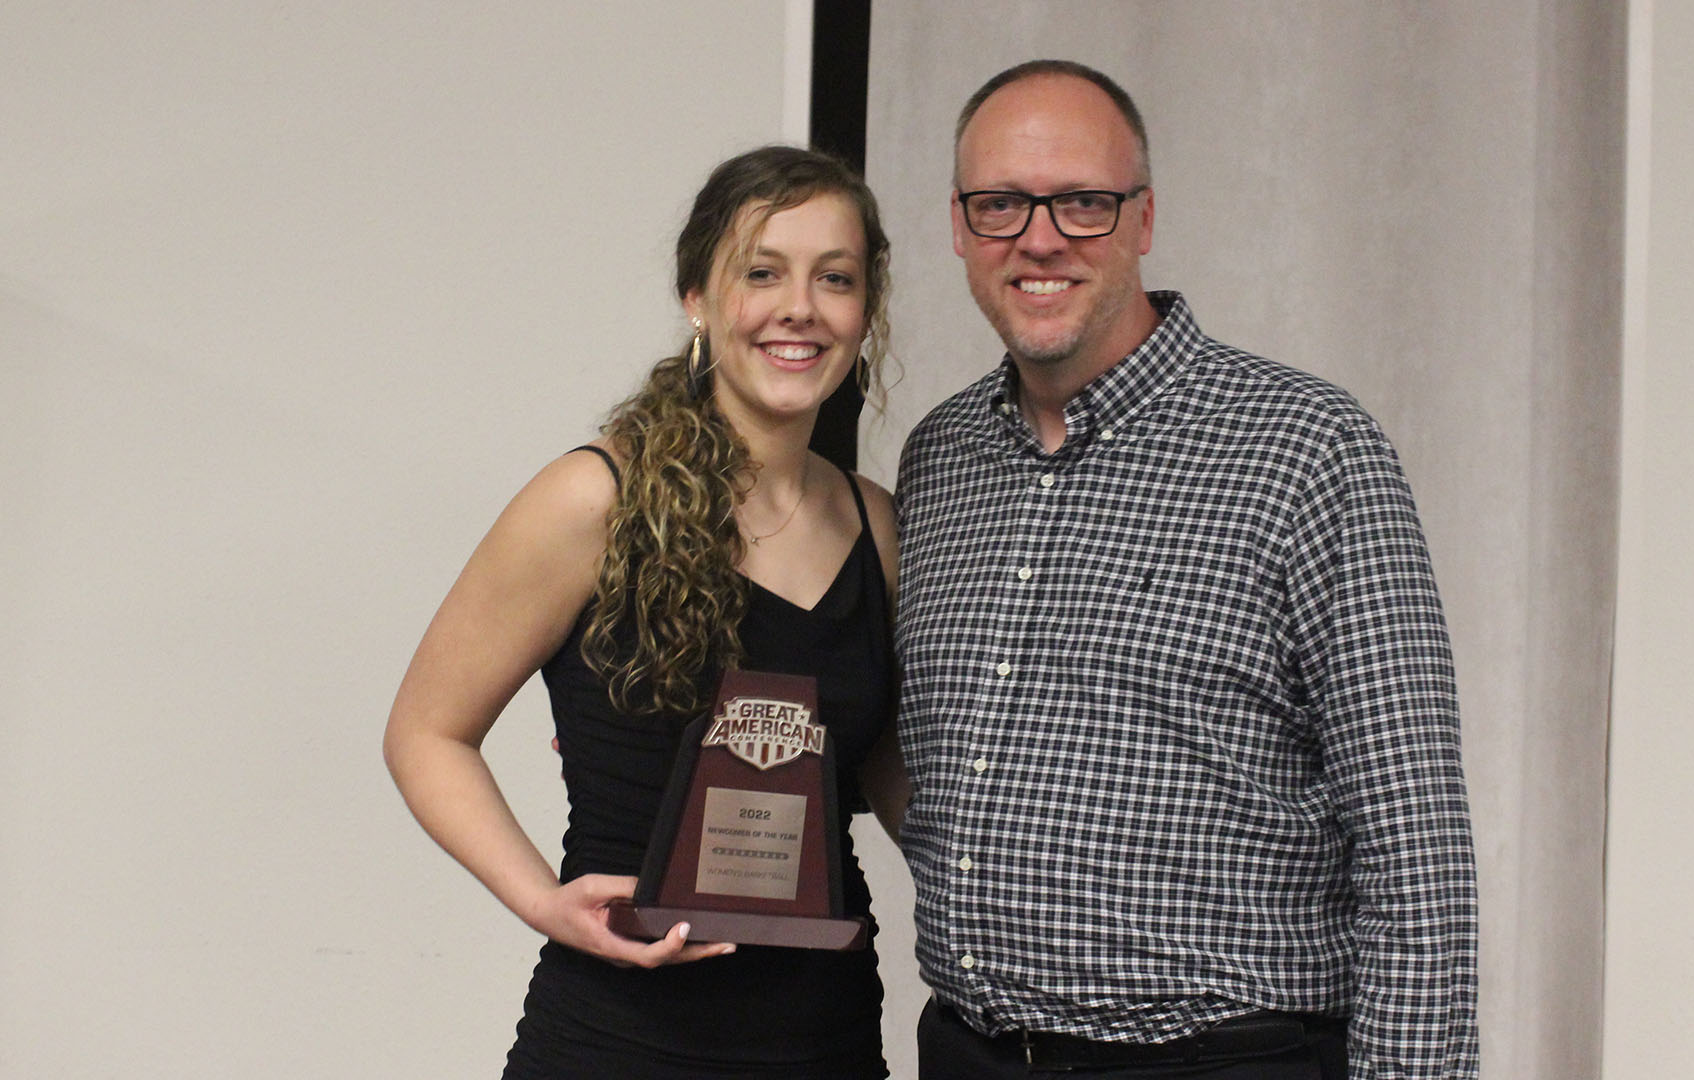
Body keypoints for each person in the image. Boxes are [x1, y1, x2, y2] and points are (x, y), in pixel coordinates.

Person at [893, 61, 1478, 1079]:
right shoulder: (940, 460)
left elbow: (1415, 852)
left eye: (1083, 201)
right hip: (970, 1052)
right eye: (1001, 204)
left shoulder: (1307, 449)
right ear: (958, 224)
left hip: (1223, 1059)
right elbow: (919, 761)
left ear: (1144, 218)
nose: (1039, 238)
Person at [383, 145, 907, 1079]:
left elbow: (890, 776)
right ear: (698, 298)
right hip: (619, 1038)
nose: (801, 307)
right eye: (762, 272)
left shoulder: (877, 525)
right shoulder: (595, 501)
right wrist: (545, 902)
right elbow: (425, 733)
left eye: (835, 278)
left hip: (824, 1041)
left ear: (864, 311)